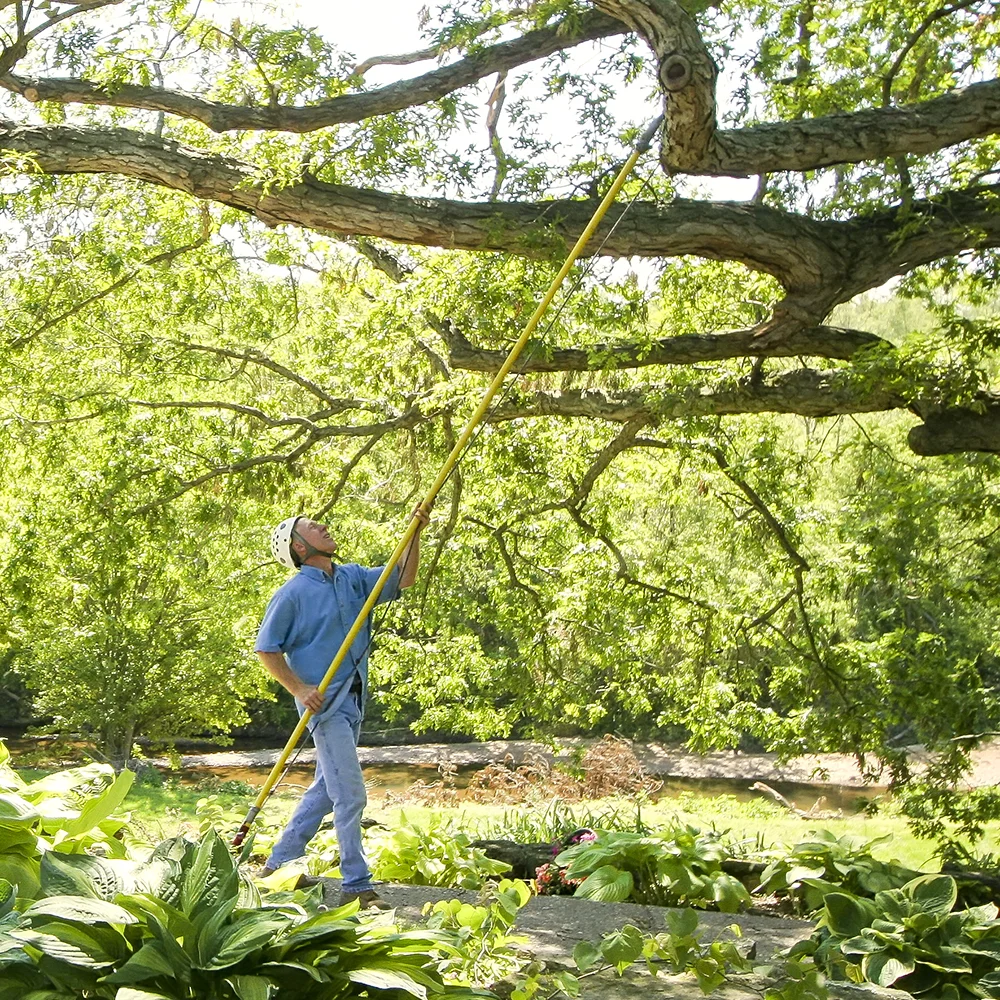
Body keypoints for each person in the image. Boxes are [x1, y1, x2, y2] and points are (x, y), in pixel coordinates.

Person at [254, 508, 430, 908]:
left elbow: (403, 577)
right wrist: (299, 689)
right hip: (324, 708)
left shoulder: (351, 577)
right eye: (311, 527)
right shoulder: (292, 593)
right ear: (299, 547)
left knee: (324, 787)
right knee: (350, 794)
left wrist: (415, 531)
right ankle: (357, 886)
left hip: (353, 700)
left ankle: (278, 863)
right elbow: (267, 649)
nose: (322, 526)